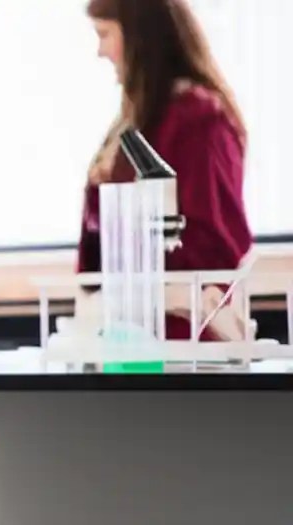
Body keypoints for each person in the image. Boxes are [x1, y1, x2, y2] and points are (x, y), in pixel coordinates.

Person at [82, 0, 251, 340]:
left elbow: (213, 252)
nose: (100, 51)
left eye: (105, 34)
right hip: (132, 341)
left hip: (181, 350)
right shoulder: (138, 124)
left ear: (141, 36)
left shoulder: (200, 122)